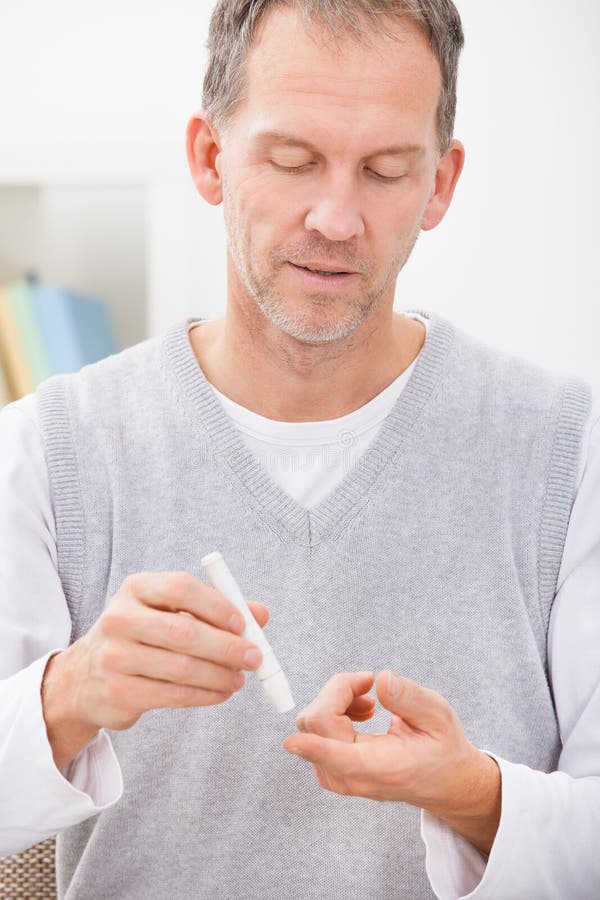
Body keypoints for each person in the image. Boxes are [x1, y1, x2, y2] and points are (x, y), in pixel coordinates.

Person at [1, 0, 599, 897]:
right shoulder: (49, 451)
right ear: (211, 158)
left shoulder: (569, 452)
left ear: (440, 184)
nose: (337, 216)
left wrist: (474, 795)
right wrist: (67, 695)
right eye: (293, 161)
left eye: (387, 171)